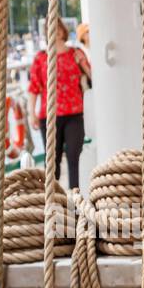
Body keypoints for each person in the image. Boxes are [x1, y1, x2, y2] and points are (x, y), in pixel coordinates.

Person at [27, 18, 91, 188]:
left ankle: (74, 204)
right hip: (49, 117)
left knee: (73, 156)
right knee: (52, 162)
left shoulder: (75, 53)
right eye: (50, 29)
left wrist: (82, 63)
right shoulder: (41, 59)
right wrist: (31, 113)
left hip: (74, 114)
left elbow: (93, 76)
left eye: (57, 28)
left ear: (63, 31)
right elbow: (34, 88)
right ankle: (53, 199)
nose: (55, 32)